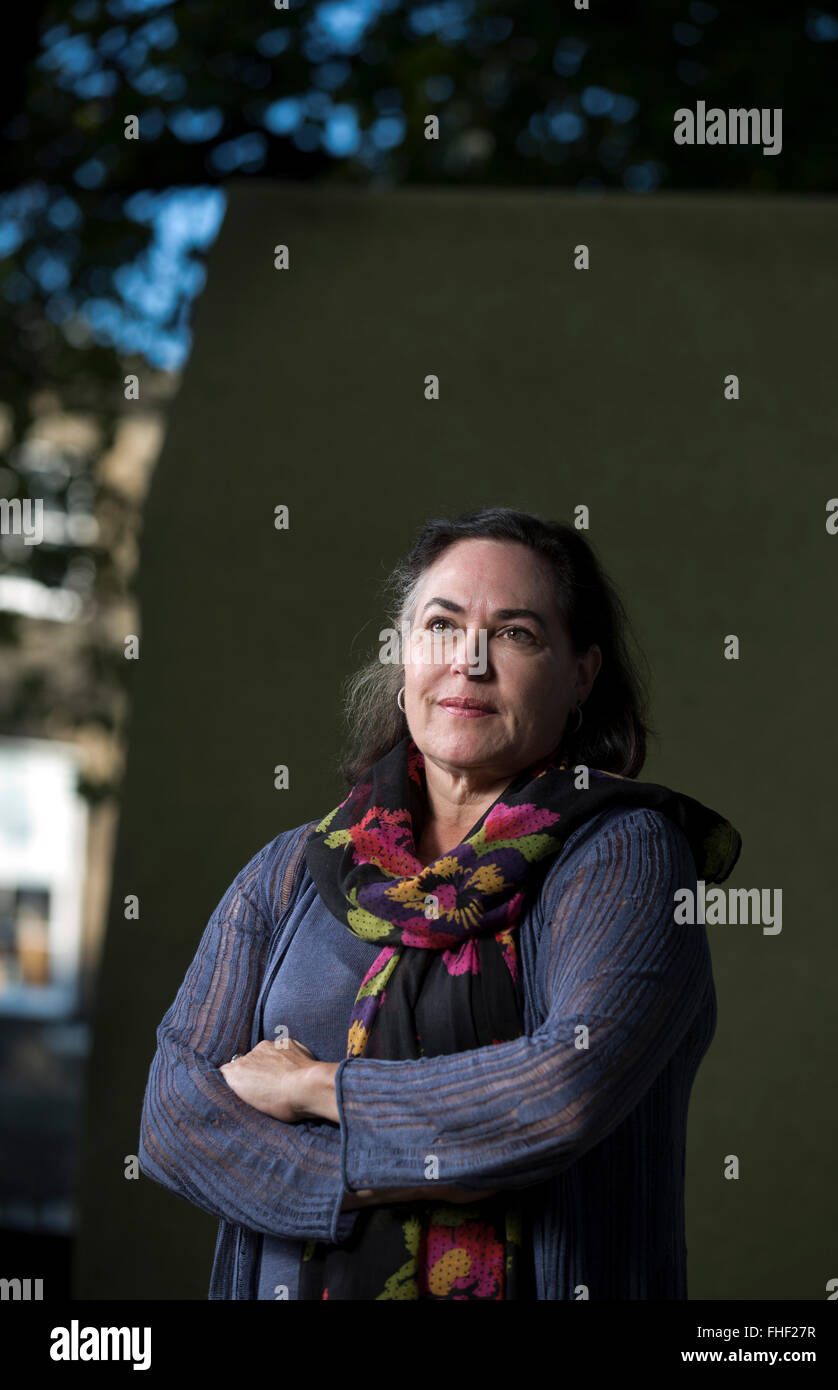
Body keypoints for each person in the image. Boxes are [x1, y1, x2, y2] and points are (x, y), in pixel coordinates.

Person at [138, 506, 740, 1300]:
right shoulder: (295, 867)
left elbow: (562, 1094)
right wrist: (401, 1177)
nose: (469, 661)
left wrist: (317, 1087)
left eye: (517, 633)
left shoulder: (626, 855)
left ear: (582, 672)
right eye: (442, 625)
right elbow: (174, 1120)